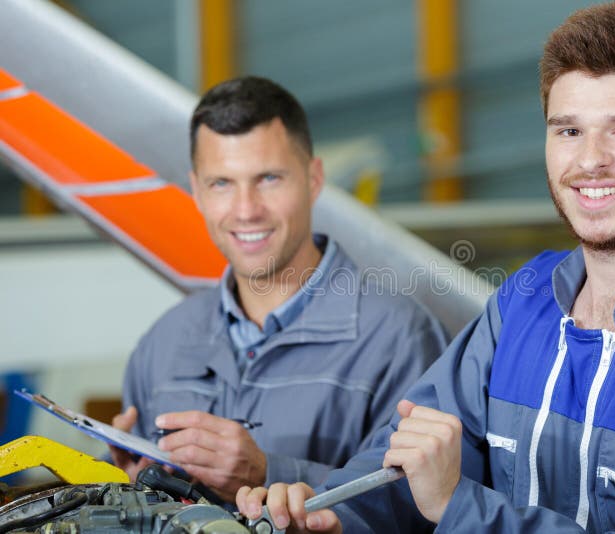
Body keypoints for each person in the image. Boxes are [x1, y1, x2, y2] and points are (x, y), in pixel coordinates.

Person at [236, 4, 615, 532]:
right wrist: (327, 511)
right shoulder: (523, 300)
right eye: (568, 130)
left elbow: (445, 493)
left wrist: (459, 506)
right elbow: (407, 460)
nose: (589, 160)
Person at [109, 76, 449, 503]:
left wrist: (269, 473)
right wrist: (133, 485)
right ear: (196, 190)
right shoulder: (162, 344)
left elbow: (416, 507)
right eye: (222, 184)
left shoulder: (400, 338)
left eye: (268, 178)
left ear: (313, 178)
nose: (246, 209)